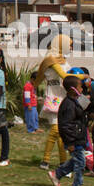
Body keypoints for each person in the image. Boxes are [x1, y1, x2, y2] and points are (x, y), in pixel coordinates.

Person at [49, 75, 92, 186]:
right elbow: (65, 125)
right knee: (81, 163)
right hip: (73, 139)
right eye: (80, 87)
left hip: (78, 137)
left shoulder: (74, 102)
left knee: (77, 160)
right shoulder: (68, 105)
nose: (82, 89)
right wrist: (71, 142)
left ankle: (57, 174)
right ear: (73, 89)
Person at [37, 34, 72, 169]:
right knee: (56, 130)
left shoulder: (63, 60)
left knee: (60, 132)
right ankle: (46, 160)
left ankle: (62, 161)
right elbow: (64, 76)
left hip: (62, 98)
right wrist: (82, 76)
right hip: (54, 98)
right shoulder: (51, 61)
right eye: (69, 45)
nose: (70, 48)